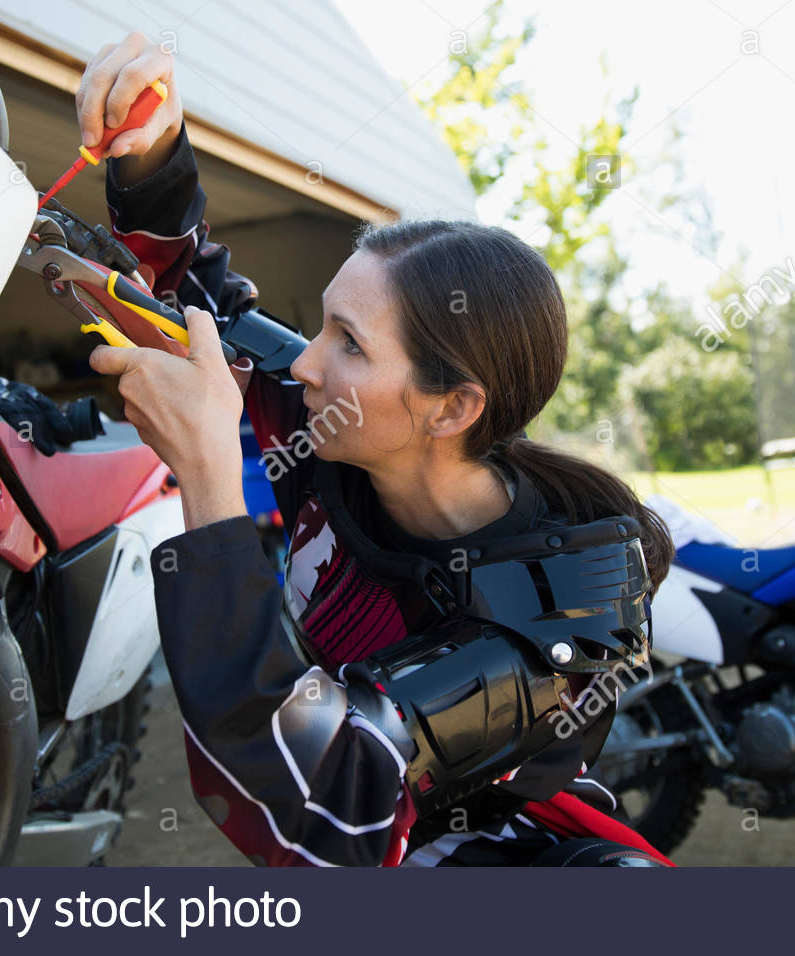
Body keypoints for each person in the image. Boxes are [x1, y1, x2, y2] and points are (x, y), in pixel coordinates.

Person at [77, 33, 676, 867]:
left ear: (452, 407)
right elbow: (198, 301)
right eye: (322, 322)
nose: (307, 360)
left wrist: (208, 474)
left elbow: (316, 805)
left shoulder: (560, 617)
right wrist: (152, 156)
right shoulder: (345, 431)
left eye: (350, 343)